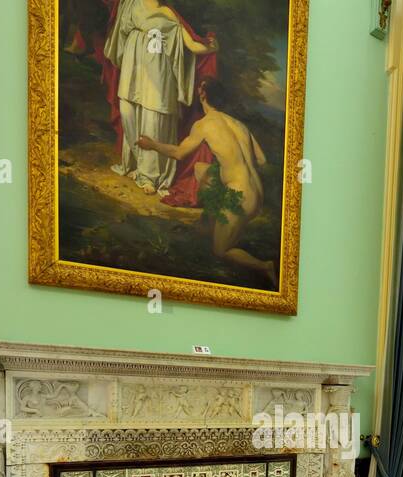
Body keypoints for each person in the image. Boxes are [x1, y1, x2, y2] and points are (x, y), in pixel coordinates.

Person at [138, 79, 277, 287]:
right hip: (257, 193)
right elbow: (262, 160)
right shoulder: (238, 124)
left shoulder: (204, 124)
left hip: (239, 197)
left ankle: (265, 266)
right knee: (201, 169)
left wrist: (152, 144)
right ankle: (211, 223)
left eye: (199, 88)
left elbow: (178, 153)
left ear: (203, 95)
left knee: (220, 250)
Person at [102, 0, 217, 196]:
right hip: (133, 68)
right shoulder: (131, 3)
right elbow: (119, 34)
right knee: (127, 112)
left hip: (158, 75)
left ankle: (150, 175)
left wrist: (213, 46)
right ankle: (135, 163)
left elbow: (192, 45)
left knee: (153, 122)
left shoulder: (169, 14)